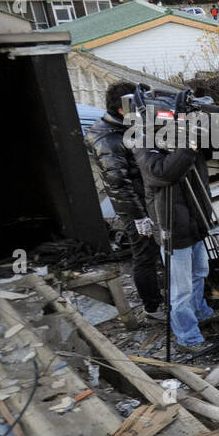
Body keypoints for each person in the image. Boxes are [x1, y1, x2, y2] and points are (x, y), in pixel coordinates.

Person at [133, 101, 217, 351]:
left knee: (199, 274)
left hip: (196, 223)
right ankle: (187, 337)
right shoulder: (144, 145)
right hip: (173, 228)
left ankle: (200, 312)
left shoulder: (187, 140)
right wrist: (187, 143)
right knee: (180, 290)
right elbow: (165, 173)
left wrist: (211, 114)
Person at [84, 82, 165, 322]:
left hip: (148, 198)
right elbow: (119, 184)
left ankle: (163, 295)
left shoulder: (128, 126)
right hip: (133, 205)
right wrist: (140, 217)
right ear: (123, 109)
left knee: (157, 250)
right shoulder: (106, 139)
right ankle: (153, 308)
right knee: (144, 253)